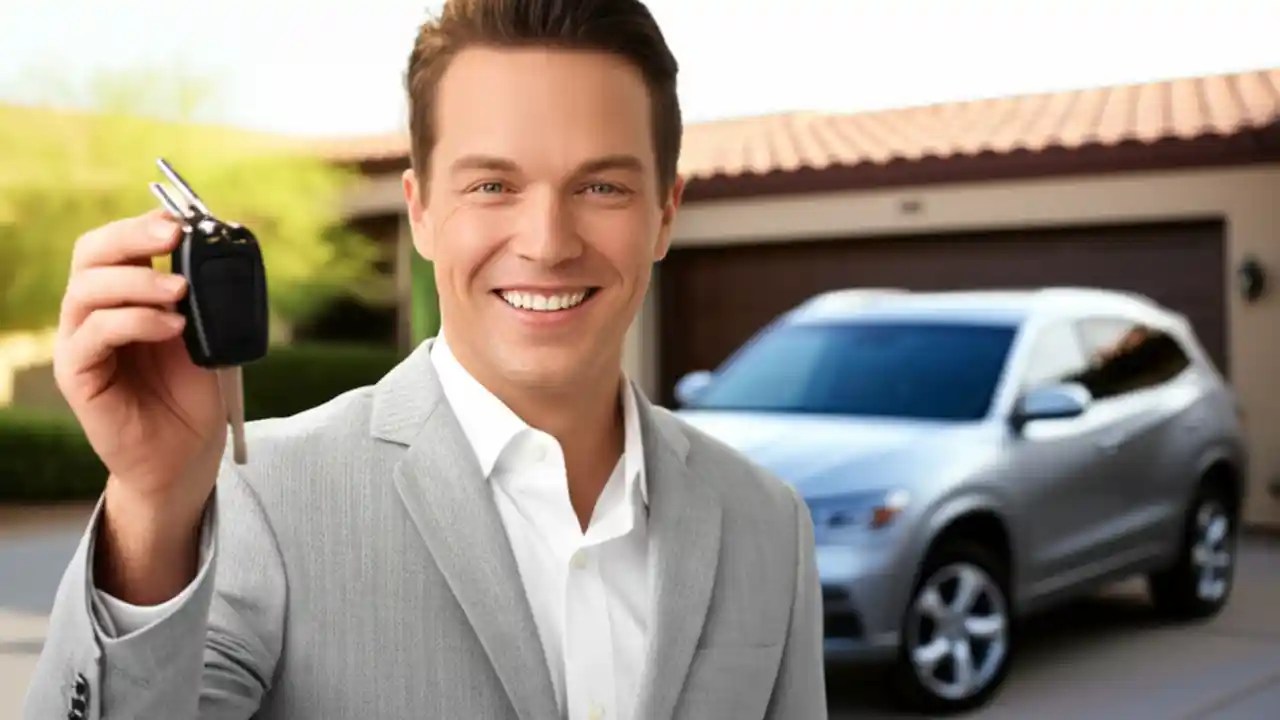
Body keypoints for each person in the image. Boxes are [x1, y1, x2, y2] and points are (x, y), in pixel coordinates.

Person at [24, 0, 826, 718]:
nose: (547, 243)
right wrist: (152, 506)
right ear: (421, 212)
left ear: (664, 216)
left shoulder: (767, 522)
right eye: (491, 187)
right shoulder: (251, 500)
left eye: (601, 188)